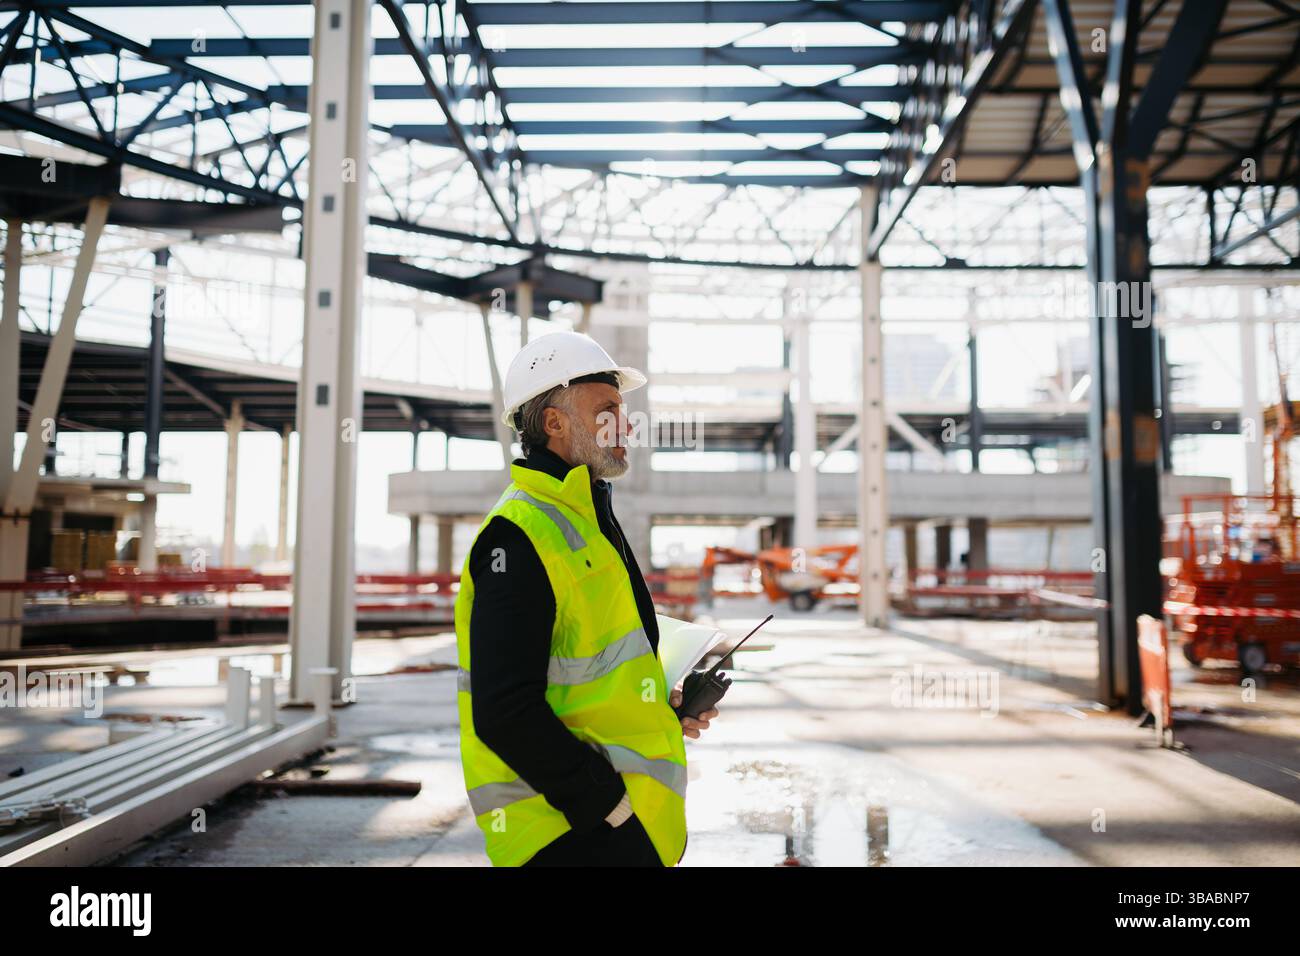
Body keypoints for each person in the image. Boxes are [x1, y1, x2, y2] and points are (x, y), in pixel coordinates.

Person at [455, 330, 718, 867]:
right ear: (554, 423)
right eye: (606, 411)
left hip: (614, 827)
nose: (624, 425)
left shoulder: (588, 520)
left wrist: (660, 704)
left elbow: (591, 666)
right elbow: (505, 711)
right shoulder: (517, 536)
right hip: (567, 834)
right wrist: (607, 807)